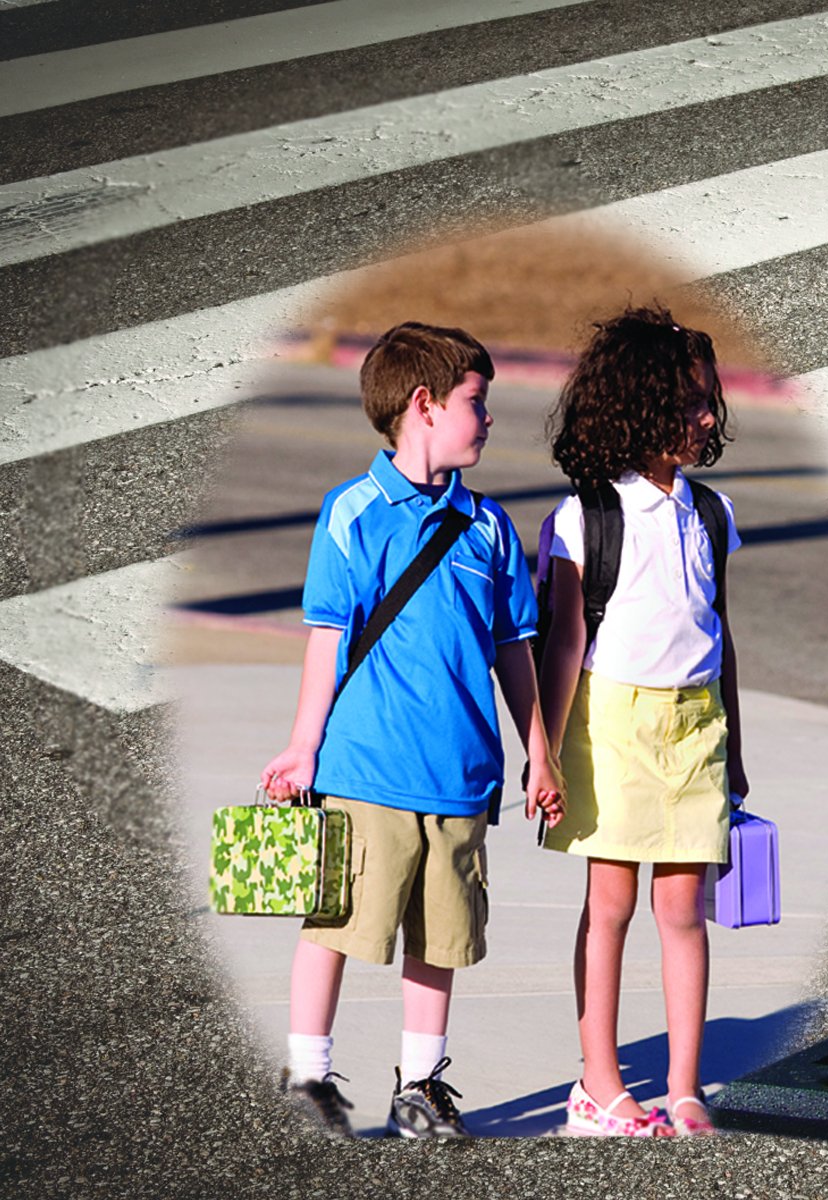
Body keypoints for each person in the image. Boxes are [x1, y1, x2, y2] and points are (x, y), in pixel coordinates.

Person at [260, 322, 564, 1139]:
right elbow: (328, 637)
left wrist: (542, 753)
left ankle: (421, 1087)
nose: (489, 418)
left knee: (443, 936)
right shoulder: (352, 512)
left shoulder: (491, 528)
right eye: (477, 403)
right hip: (364, 768)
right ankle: (307, 1077)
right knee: (334, 923)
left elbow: (515, 653)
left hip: (463, 774)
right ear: (424, 406)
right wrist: (302, 745)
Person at [534, 305, 748, 1137]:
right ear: (639, 408)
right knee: (612, 903)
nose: (706, 417)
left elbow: (722, 636)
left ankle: (686, 1088)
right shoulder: (585, 516)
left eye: (707, 402)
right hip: (612, 721)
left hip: (698, 725)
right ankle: (598, 1085)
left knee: (685, 909)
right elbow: (562, 645)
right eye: (690, 403)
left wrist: (738, 753)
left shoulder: (713, 513)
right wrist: (544, 756)